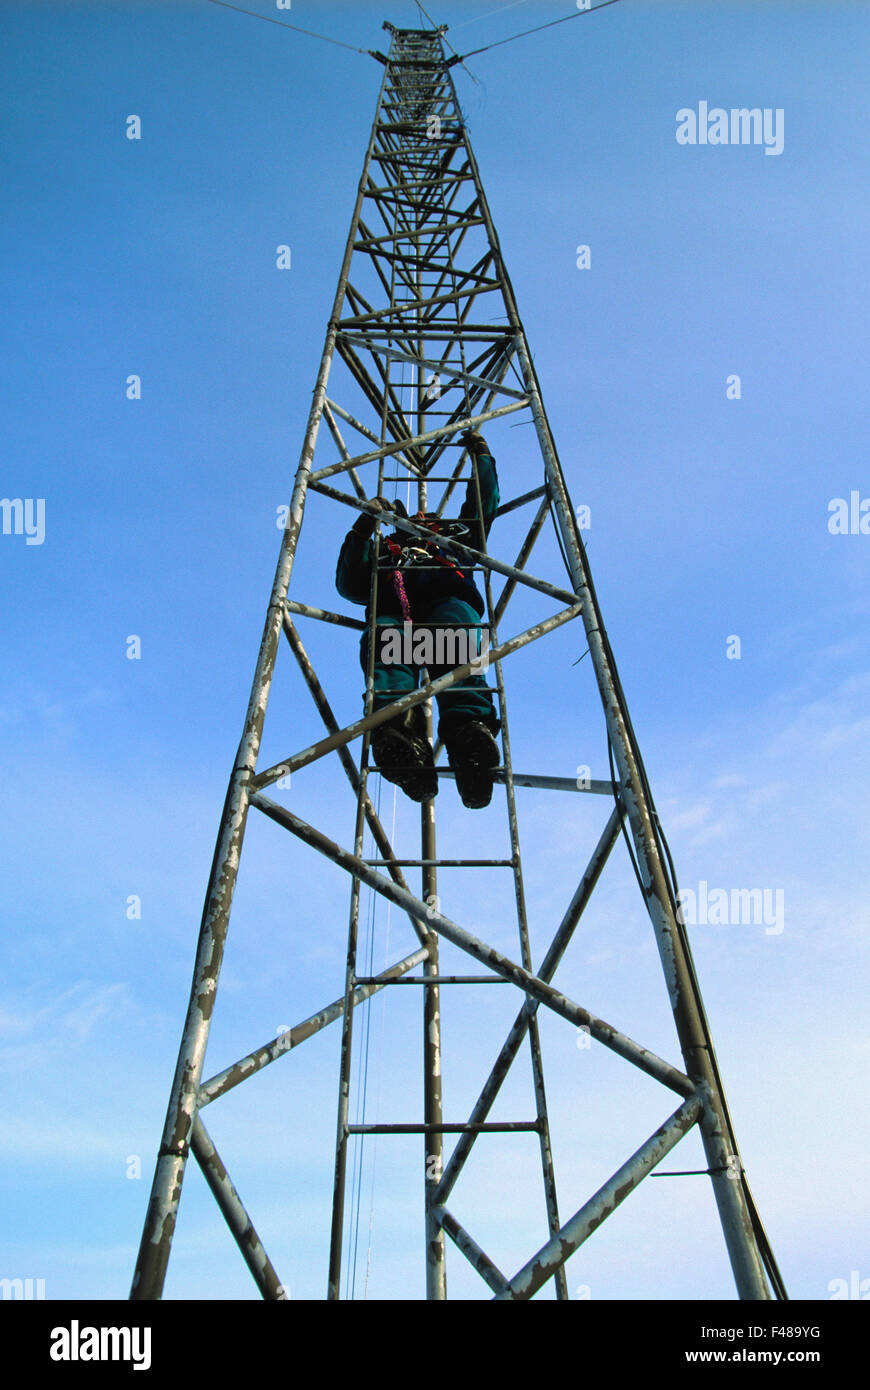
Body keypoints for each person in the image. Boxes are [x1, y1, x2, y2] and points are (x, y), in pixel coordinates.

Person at [335, 429, 501, 808]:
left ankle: (467, 735)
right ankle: (401, 735)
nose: (423, 519)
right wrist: (365, 526)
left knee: (455, 631)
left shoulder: (455, 537)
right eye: (416, 519)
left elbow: (482, 502)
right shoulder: (388, 549)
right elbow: (350, 584)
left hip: (447, 597)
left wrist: (482, 459)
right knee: (386, 639)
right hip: (398, 608)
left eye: (429, 519)